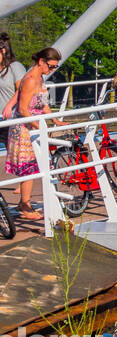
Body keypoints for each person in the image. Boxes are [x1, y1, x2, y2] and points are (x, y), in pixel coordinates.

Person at [5, 48, 65, 221]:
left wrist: (55, 120)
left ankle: (24, 203)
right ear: (41, 62)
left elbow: (43, 103)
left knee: (34, 167)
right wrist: (36, 125)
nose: (53, 70)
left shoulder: (40, 78)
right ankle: (25, 205)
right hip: (24, 129)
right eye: (51, 66)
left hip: (35, 126)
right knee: (29, 168)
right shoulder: (30, 80)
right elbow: (23, 109)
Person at [0, 32, 25, 116]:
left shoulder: (15, 67)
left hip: (10, 118)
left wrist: (9, 106)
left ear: (3, 51)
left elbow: (22, 90)